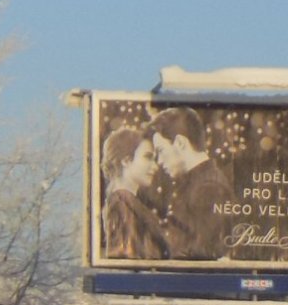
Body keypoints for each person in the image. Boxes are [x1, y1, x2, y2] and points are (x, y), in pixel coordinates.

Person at [147, 106, 233, 259]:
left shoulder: (209, 188)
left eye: (161, 150)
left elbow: (200, 256)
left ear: (180, 143)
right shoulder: (196, 182)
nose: (159, 161)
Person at [99, 126, 171, 262]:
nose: (155, 166)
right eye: (147, 157)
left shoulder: (127, 203)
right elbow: (127, 261)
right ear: (126, 160)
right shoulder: (122, 205)